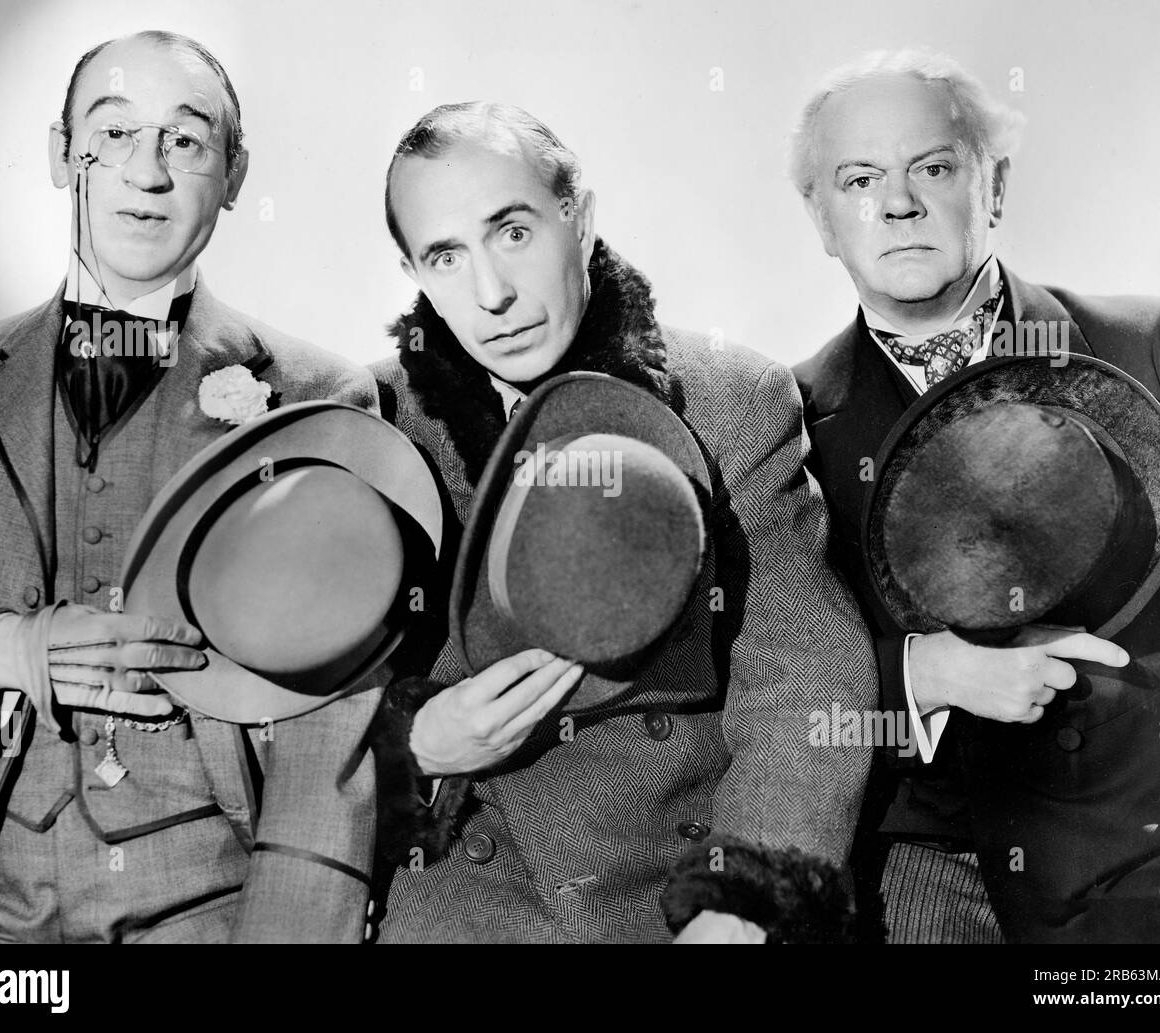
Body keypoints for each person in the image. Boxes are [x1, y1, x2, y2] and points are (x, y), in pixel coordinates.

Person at [368, 102, 879, 943]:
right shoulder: (378, 421)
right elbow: (306, 702)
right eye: (446, 256)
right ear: (412, 268)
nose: (492, 294)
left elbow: (805, 677)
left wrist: (743, 896)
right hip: (462, 892)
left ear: (580, 217)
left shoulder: (729, 401)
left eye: (514, 232)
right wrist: (412, 741)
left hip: (667, 889)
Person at [0, 30, 380, 943]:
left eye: (186, 141)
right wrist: (1, 648)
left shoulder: (320, 397)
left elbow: (331, 733)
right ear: (61, 155)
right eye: (115, 133)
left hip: (205, 912)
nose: (148, 173)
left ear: (235, 174)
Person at [790, 49, 1160, 943]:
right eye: (859, 178)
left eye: (933, 167)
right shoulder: (782, 422)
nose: (897, 203)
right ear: (822, 219)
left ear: (994, 187)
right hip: (913, 871)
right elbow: (771, 682)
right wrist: (924, 673)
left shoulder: (1152, 344)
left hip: (1156, 854)